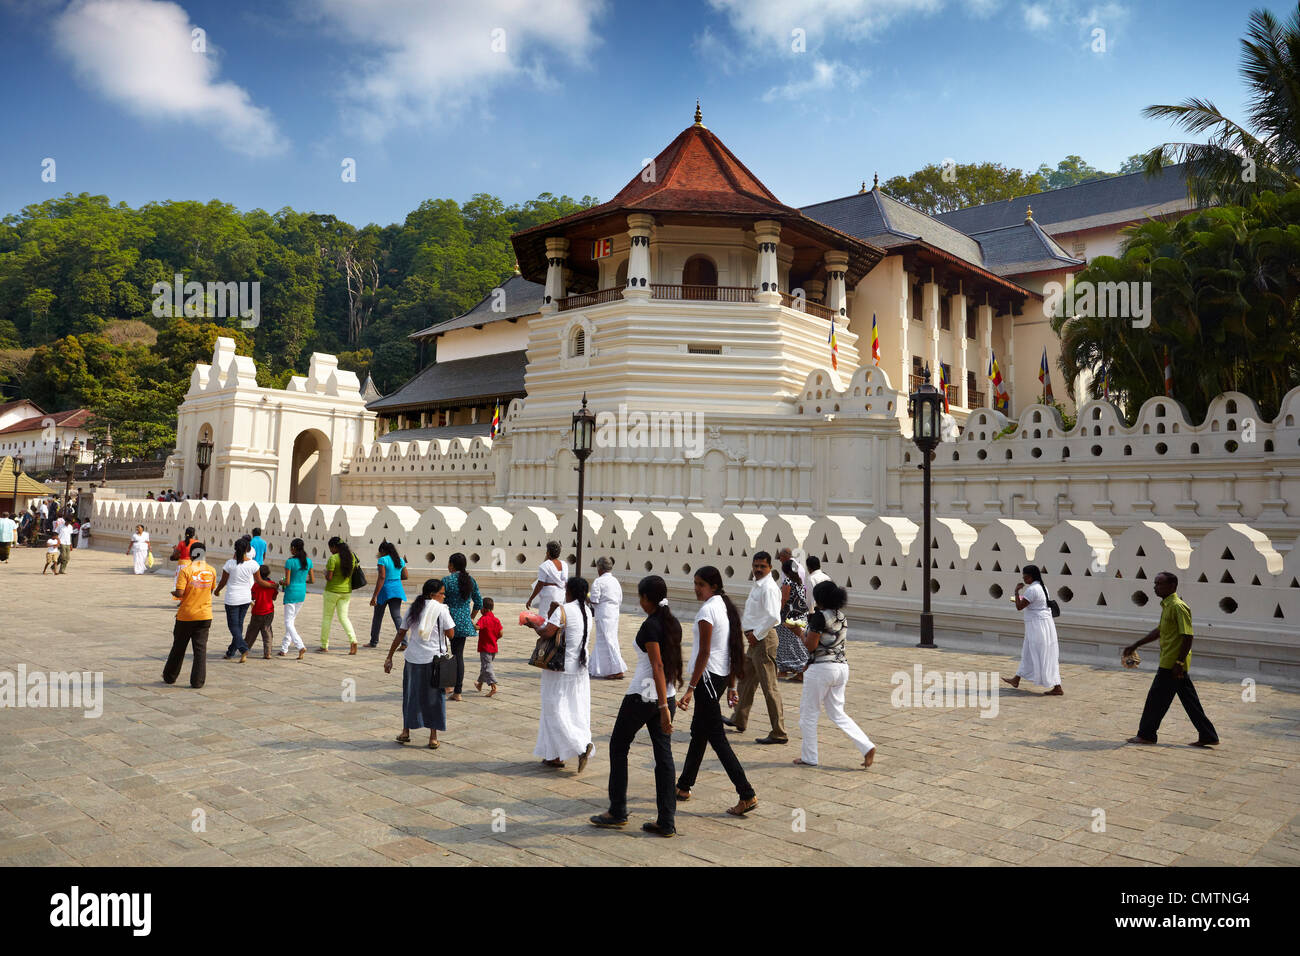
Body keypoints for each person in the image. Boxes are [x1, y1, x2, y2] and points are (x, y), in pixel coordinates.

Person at [591, 575, 683, 836]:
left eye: (641, 597)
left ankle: (617, 810)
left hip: (644, 695)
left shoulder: (652, 626)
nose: (640, 601)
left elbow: (657, 665)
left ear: (646, 598)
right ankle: (666, 820)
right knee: (663, 756)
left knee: (618, 745)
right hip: (667, 693)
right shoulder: (673, 623)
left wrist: (663, 707)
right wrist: (666, 704)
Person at [675, 566, 757, 816]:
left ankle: (746, 794)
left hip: (708, 679)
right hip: (719, 678)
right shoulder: (724, 606)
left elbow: (705, 652)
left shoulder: (708, 610)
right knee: (699, 733)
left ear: (713, 585)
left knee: (716, 738)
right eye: (696, 583)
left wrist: (690, 688)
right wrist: (731, 685)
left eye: (701, 584)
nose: (697, 589)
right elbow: (732, 649)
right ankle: (683, 786)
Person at [1123, 572, 1220, 747]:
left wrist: (1179, 663)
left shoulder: (1177, 606)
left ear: (1173, 586)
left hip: (1172, 663)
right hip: (1171, 661)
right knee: (1190, 701)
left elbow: (1188, 636)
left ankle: (1146, 734)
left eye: (1159, 583)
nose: (1155, 587)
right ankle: (1208, 735)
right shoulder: (1167, 606)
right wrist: (1136, 644)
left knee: (1155, 700)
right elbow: (1159, 631)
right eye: (1155, 583)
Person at [794, 581, 877, 770]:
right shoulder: (841, 616)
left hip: (822, 670)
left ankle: (809, 756)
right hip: (841, 668)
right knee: (837, 713)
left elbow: (810, 646)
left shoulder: (819, 618)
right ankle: (866, 746)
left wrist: (798, 632)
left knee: (809, 714)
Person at [529, 576, 594, 771]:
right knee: (574, 710)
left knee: (554, 709)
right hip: (579, 668)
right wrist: (553, 613)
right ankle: (555, 755)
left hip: (560, 669)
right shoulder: (587, 611)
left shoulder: (564, 610)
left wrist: (531, 623)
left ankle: (580, 746)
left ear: (569, 591)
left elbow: (547, 632)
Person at [724, 551, 787, 744]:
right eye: (756, 565)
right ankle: (739, 718)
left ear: (770, 568)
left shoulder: (768, 587)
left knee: (769, 687)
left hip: (764, 639)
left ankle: (779, 732)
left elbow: (773, 616)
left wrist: (756, 634)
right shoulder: (757, 585)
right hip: (755, 639)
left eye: (762, 566)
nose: (758, 569)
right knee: (745, 679)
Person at [384, 578, 455, 749]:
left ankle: (405, 731)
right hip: (433, 660)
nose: (444, 597)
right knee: (435, 698)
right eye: (442, 593)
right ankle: (433, 736)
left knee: (410, 695)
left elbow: (401, 634)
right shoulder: (441, 610)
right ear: (433, 595)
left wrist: (390, 656)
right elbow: (451, 634)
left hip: (413, 659)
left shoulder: (413, 608)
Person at [1001, 564, 1064, 695]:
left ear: (1031, 577)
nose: (1024, 578)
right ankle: (1016, 679)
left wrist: (1016, 592)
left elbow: (1019, 607)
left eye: (1025, 576)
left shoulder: (1032, 590)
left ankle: (1057, 686)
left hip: (1037, 626)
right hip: (1044, 624)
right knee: (1033, 652)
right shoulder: (1042, 587)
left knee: (1040, 653)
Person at [163, 541, 217, 688]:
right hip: (205, 615)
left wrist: (174, 593)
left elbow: (180, 593)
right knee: (200, 650)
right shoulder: (212, 570)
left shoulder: (186, 571)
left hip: (186, 615)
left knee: (179, 647)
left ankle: (170, 676)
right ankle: (198, 681)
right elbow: (210, 591)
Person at [441, 553, 482, 701]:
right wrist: (470, 618)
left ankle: (446, 685)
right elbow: (479, 602)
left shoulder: (447, 581)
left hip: (446, 621)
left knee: (443, 652)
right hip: (463, 622)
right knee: (458, 655)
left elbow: (438, 599)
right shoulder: (470, 580)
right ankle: (457, 691)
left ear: (452, 565)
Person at [214, 538, 260, 663]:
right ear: (247, 549)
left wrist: (217, 591)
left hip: (232, 599)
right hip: (246, 598)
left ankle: (243, 648)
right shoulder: (253, 564)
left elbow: (223, 581)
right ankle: (230, 652)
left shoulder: (230, 564)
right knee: (238, 626)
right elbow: (259, 581)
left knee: (233, 626)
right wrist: (272, 585)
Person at [321, 536, 360, 653]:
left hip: (332, 591)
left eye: (330, 548)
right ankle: (353, 640)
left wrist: (325, 573)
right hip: (346, 592)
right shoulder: (352, 557)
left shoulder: (333, 559)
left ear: (334, 547)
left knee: (327, 618)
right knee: (344, 618)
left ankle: (324, 645)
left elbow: (329, 577)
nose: (330, 550)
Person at [775, 555, 809, 679]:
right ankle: (799, 669)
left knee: (783, 643)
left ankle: (787, 668)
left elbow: (784, 599)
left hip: (788, 617)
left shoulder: (787, 581)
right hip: (800, 616)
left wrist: (777, 612)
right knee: (797, 642)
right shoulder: (799, 581)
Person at [278, 537, 313, 660]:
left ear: (293, 548)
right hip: (301, 592)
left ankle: (300, 645)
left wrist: (281, 582)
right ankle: (284, 648)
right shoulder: (308, 561)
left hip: (291, 592)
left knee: (288, 622)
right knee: (291, 622)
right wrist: (301, 581)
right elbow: (312, 580)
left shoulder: (290, 562)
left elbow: (286, 581)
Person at [368, 541, 408, 648]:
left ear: (382, 551)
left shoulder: (382, 560)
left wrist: (374, 596)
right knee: (397, 616)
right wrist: (395, 576)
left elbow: (382, 577)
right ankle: (404, 642)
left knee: (377, 617)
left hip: (385, 590)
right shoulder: (400, 560)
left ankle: (373, 641)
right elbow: (405, 576)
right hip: (397, 590)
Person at [245, 566, 280, 659]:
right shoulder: (272, 584)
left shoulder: (256, 585)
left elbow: (252, 597)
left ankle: (245, 650)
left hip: (257, 611)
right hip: (269, 611)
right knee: (267, 631)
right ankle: (267, 653)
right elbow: (274, 598)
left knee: (252, 631)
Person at [526, 540, 567, 618]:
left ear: (548, 552)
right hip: (561, 593)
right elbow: (565, 581)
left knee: (545, 618)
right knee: (557, 618)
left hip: (549, 595)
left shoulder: (544, 566)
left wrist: (531, 598)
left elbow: (540, 583)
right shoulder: (564, 564)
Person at [475, 597, 503, 696]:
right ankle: (479, 684)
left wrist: (469, 622)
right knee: (485, 666)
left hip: (485, 647)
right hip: (494, 647)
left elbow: (477, 627)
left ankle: (493, 687)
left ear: (484, 608)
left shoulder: (483, 619)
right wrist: (494, 639)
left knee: (487, 667)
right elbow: (501, 633)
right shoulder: (496, 620)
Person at [170, 527, 197, 602]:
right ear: (194, 534)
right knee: (190, 583)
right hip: (192, 565)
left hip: (182, 565)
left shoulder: (181, 543)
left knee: (181, 584)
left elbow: (176, 555)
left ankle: (182, 600)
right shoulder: (196, 542)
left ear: (185, 533)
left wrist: (174, 550)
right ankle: (189, 600)